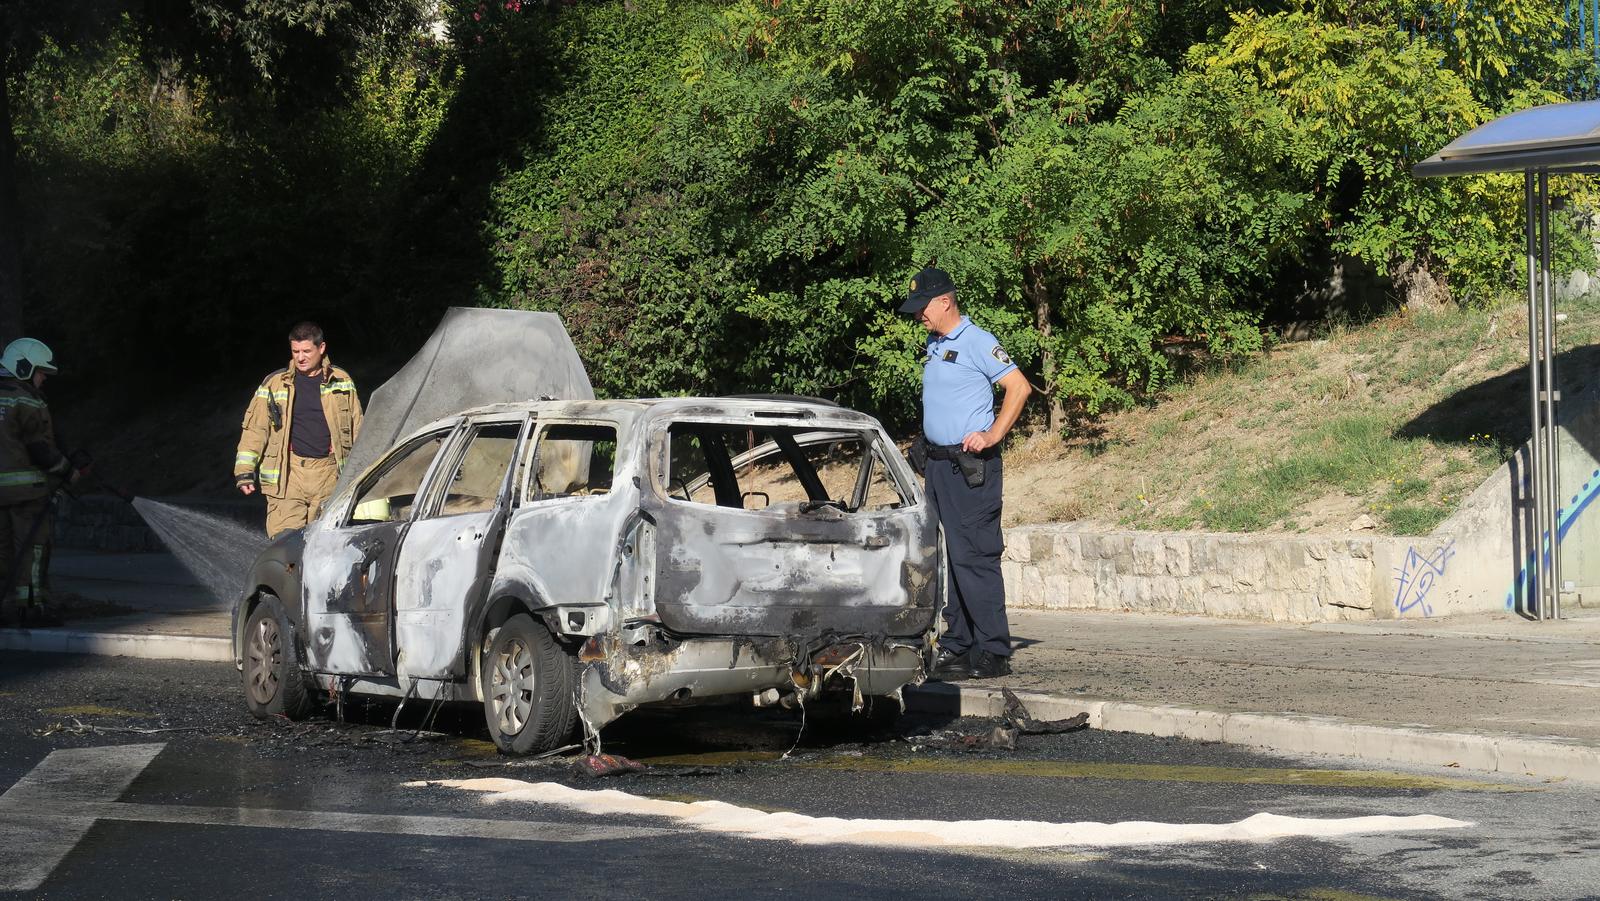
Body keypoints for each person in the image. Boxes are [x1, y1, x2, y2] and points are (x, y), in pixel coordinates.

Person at [900, 267, 1031, 680]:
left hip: (970, 469)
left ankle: (993, 650)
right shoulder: (934, 343)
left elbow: (1020, 387)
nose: (918, 315)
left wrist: (993, 434)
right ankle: (959, 644)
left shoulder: (977, 341)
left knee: (975, 556)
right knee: (949, 561)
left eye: (923, 307)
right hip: (939, 467)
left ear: (944, 301)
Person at [235, 322, 363, 538]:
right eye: (295, 351)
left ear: (321, 348)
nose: (300, 358)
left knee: (325, 545)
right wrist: (244, 472)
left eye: (306, 351)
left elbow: (358, 427)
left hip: (330, 476)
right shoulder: (274, 384)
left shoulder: (342, 381)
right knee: (286, 544)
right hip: (289, 476)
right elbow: (255, 430)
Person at [0, 338, 83, 627]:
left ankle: (6, 607)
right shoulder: (26, 399)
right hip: (26, 493)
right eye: (40, 372)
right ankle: (33, 609)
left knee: (4, 550)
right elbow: (39, 447)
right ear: (22, 367)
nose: (44, 378)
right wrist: (66, 470)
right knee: (33, 548)